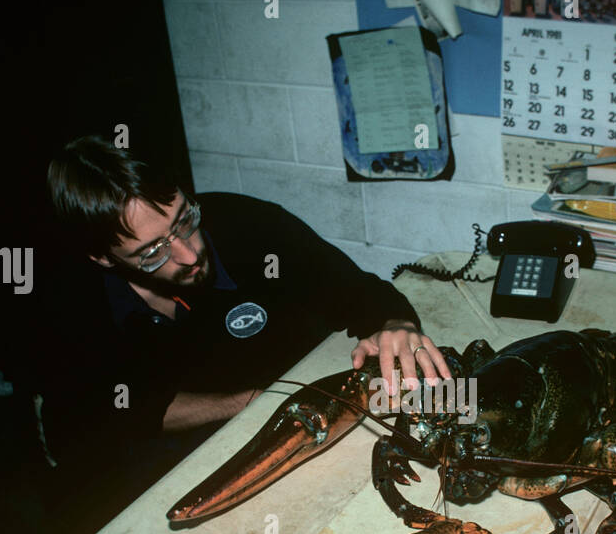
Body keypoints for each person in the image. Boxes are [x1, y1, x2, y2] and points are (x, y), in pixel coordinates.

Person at [41, 135, 451, 475]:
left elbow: (355, 290)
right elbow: (86, 424)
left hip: (312, 428)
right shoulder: (73, 306)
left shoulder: (250, 225)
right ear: (102, 258)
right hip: (181, 461)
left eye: (185, 220)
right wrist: (245, 403)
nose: (189, 254)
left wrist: (396, 323)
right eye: (153, 253)